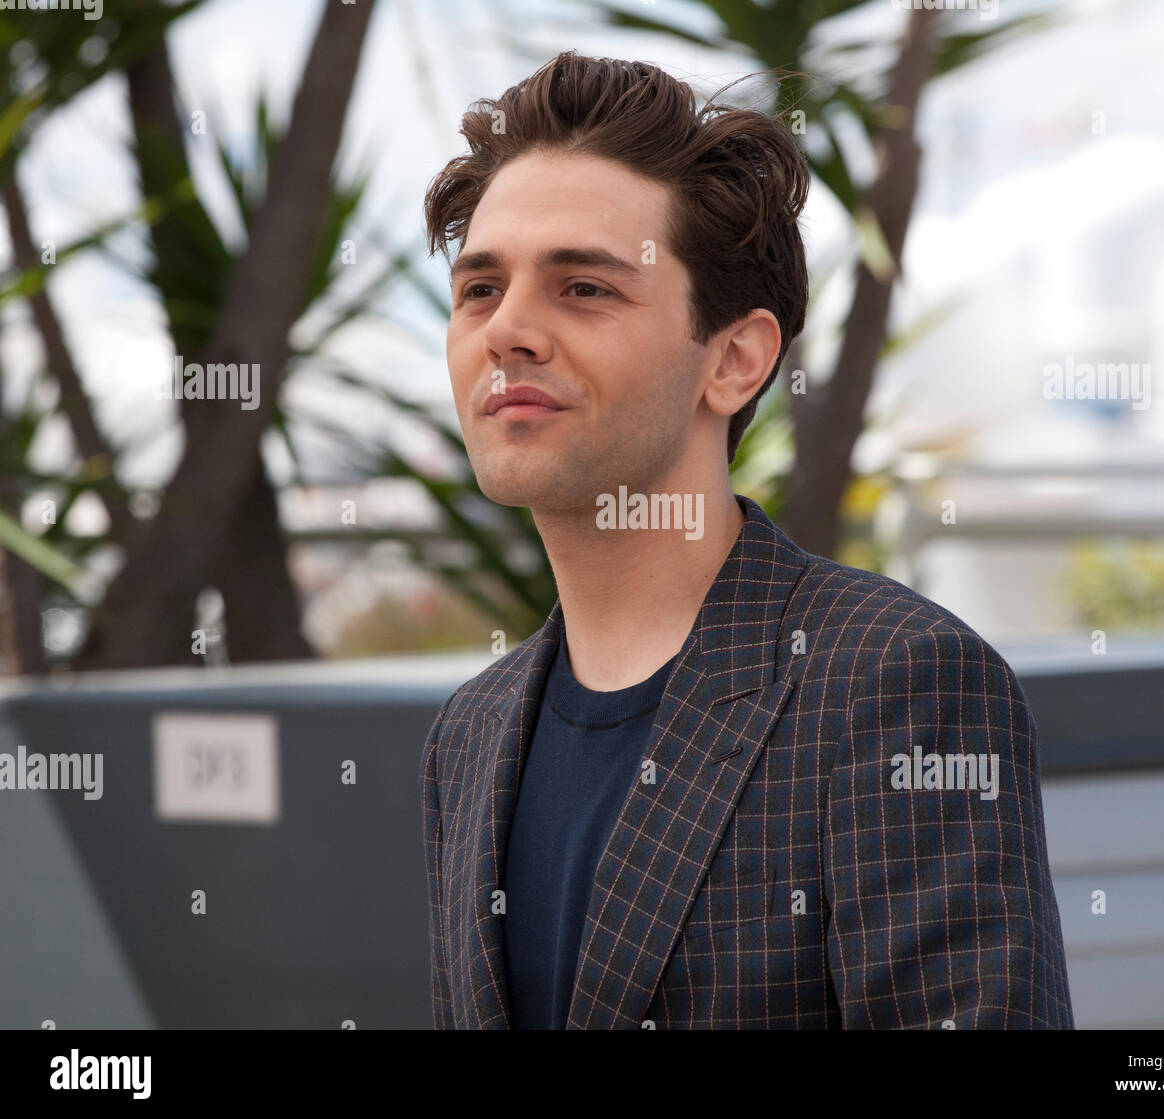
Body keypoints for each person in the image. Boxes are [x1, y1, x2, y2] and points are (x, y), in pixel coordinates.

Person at [418, 50, 1073, 1029]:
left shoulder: (893, 685)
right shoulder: (469, 736)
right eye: (479, 289)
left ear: (733, 360)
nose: (506, 330)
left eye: (584, 289)